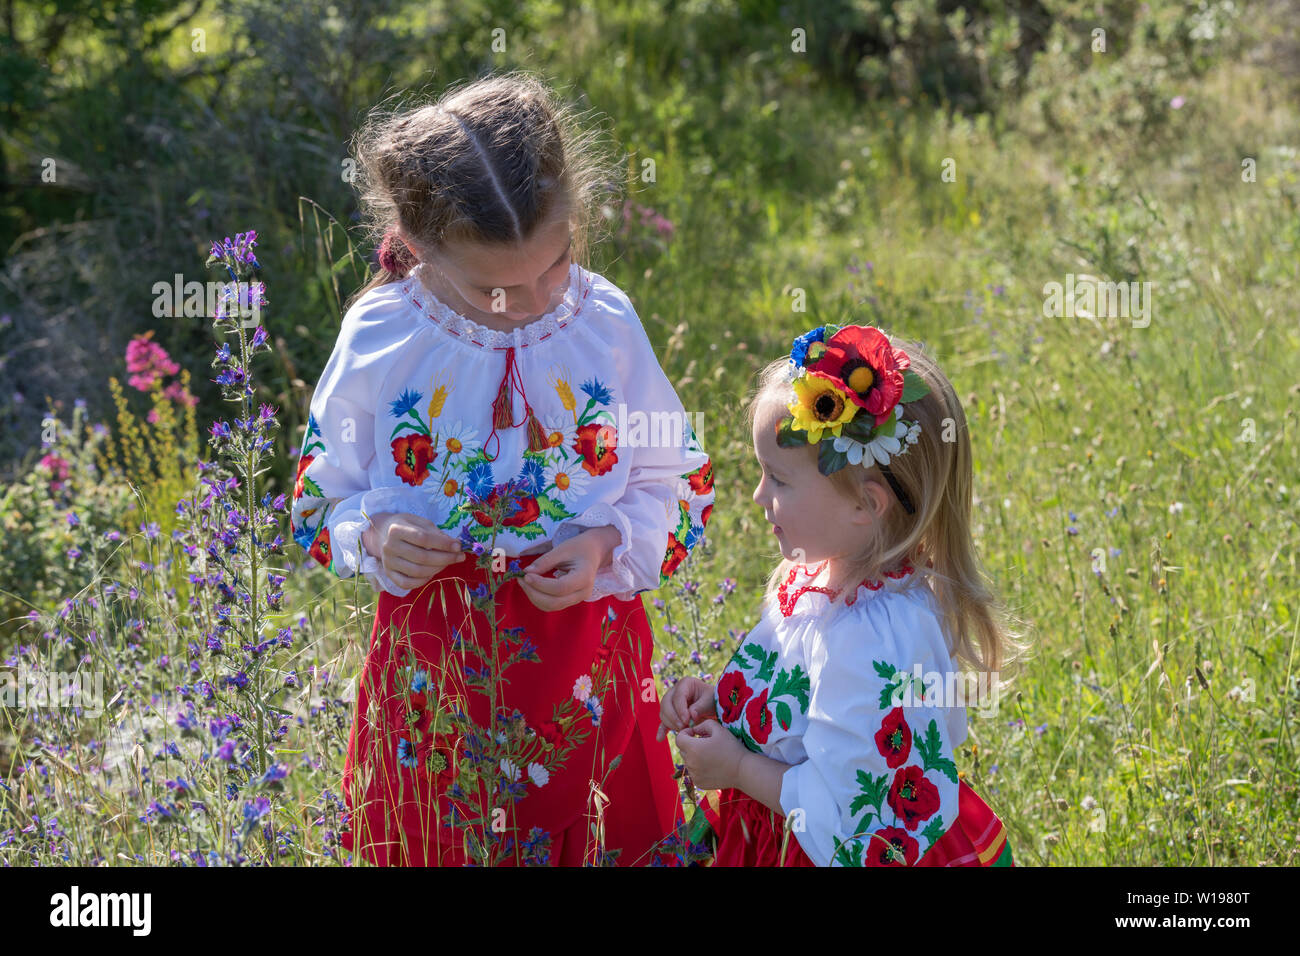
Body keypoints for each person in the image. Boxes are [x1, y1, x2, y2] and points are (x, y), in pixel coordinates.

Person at [290, 73, 713, 865]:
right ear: (417, 246)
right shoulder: (384, 333)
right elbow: (321, 497)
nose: (525, 303)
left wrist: (604, 546)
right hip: (434, 670)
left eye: (551, 269)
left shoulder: (605, 323)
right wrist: (374, 534)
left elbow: (674, 481)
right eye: (493, 287)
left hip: (589, 651)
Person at [659, 323, 1023, 866]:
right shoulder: (820, 577)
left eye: (778, 479)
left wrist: (735, 768)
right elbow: (803, 708)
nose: (760, 495)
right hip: (772, 823)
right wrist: (731, 706)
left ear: (865, 506)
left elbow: (844, 810)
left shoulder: (868, 641)